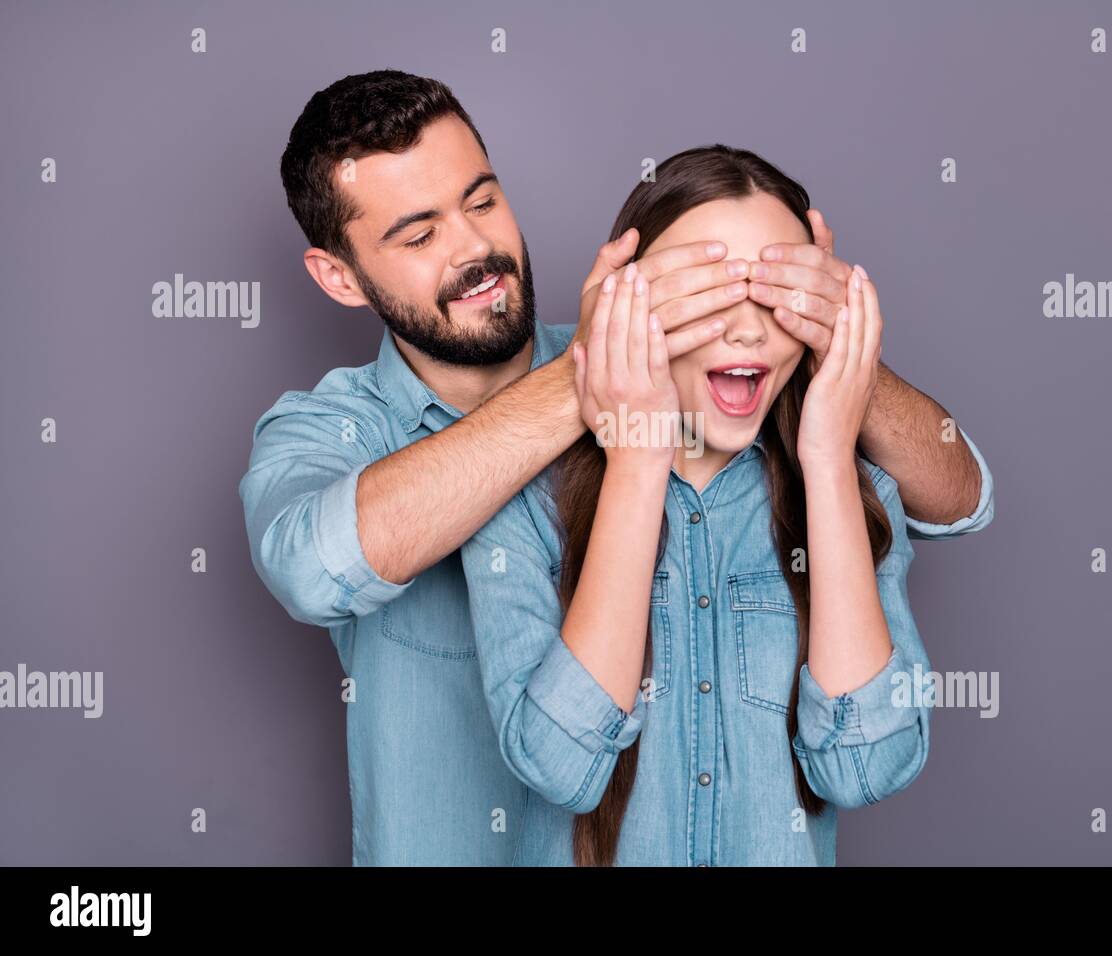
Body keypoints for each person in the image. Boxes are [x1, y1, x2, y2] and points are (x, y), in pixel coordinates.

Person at [240, 70, 992, 866]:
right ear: (339, 276)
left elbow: (960, 496)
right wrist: (587, 378)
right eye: (419, 236)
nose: (474, 250)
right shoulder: (332, 428)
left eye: (483, 200)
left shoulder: (688, 395)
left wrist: (822, 333)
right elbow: (313, 570)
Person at [461, 145, 992, 866]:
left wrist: (830, 459)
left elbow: (865, 768)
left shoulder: (860, 488)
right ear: (628, 307)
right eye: (709, 294)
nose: (747, 330)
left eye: (777, 294)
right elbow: (562, 766)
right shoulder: (524, 499)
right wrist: (639, 456)